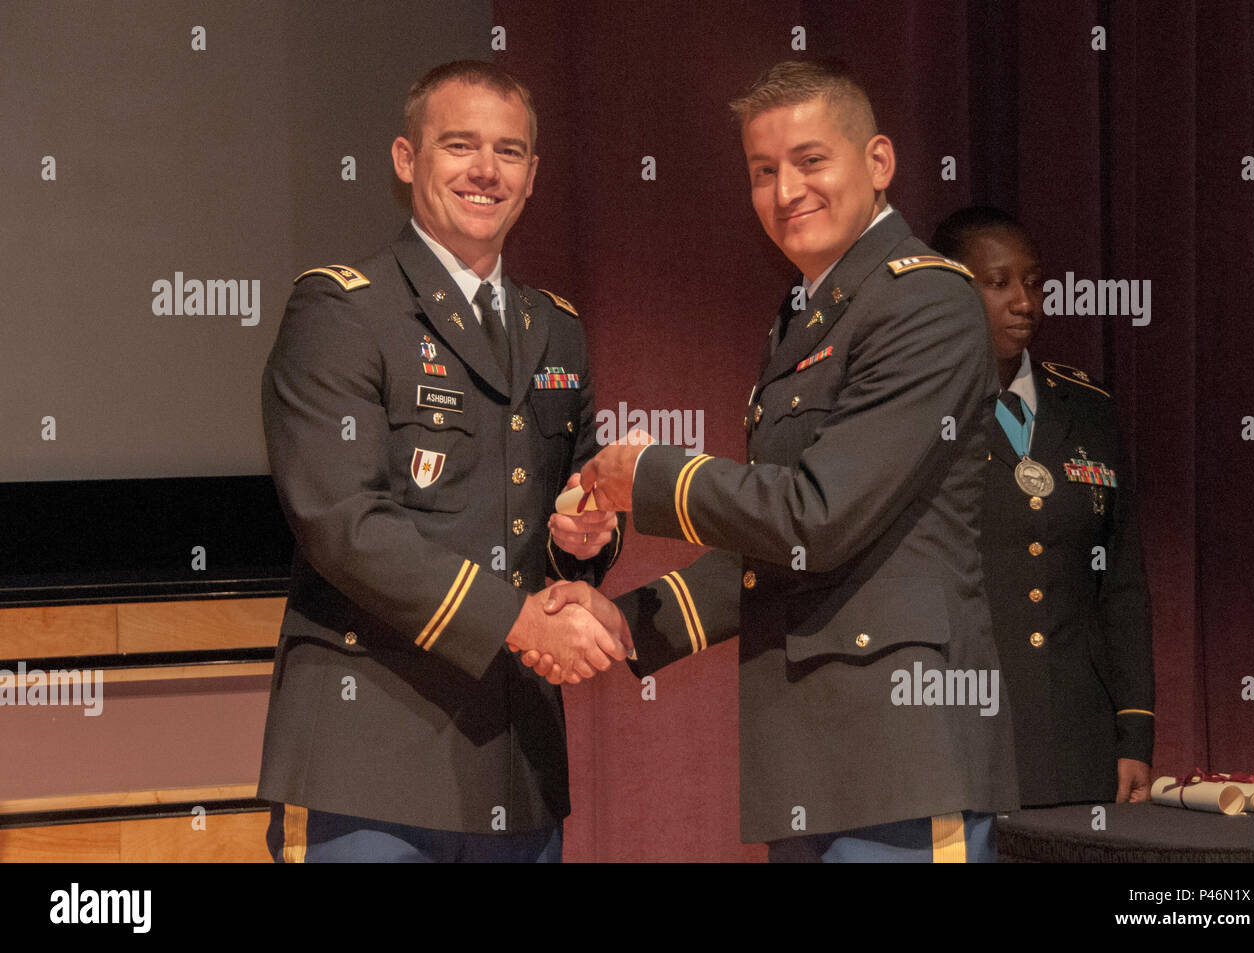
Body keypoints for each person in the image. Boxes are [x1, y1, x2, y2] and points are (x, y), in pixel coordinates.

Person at [532, 61, 1019, 862]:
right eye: (763, 171)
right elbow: (781, 553)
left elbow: (817, 514)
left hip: (902, 755)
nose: (786, 189)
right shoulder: (806, 316)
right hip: (808, 759)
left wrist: (644, 476)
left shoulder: (926, 301)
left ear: (879, 162)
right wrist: (629, 619)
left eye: (810, 160)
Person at [257, 60, 628, 863]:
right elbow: (345, 526)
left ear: (532, 176)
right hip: (372, 762)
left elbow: (561, 508)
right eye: (459, 145)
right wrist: (525, 620)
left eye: (510, 151)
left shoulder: (556, 326)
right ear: (405, 158)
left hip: (515, 761)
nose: (486, 171)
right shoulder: (344, 309)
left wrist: (586, 539)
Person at [931, 205, 1155, 806]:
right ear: (952, 288)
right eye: (997, 283)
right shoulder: (922, 411)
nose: (1024, 301)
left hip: (1080, 733)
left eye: (1033, 282)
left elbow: (1123, 583)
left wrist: (1134, 730)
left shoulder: (1089, 407)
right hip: (967, 727)